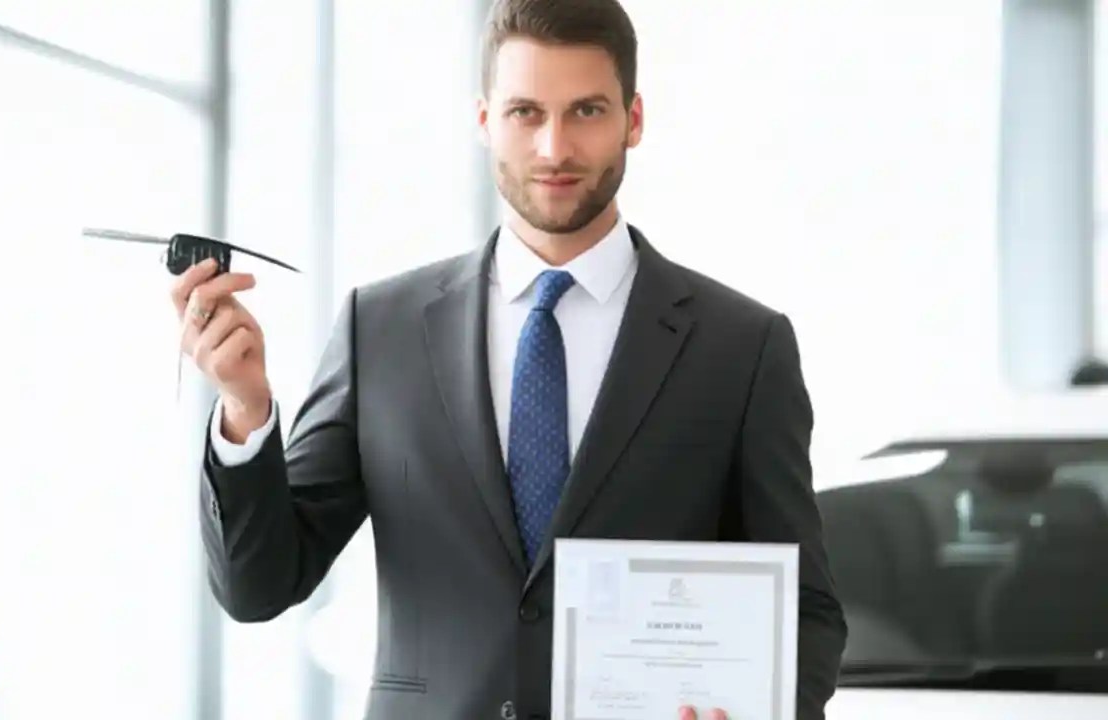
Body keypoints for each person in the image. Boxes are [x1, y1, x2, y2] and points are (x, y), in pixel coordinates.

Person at [172, 1, 847, 718]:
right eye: (527, 112)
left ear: (634, 118)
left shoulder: (740, 347)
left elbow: (808, 617)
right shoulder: (382, 329)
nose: (555, 148)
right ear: (486, 119)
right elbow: (260, 586)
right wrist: (245, 410)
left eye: (586, 111)